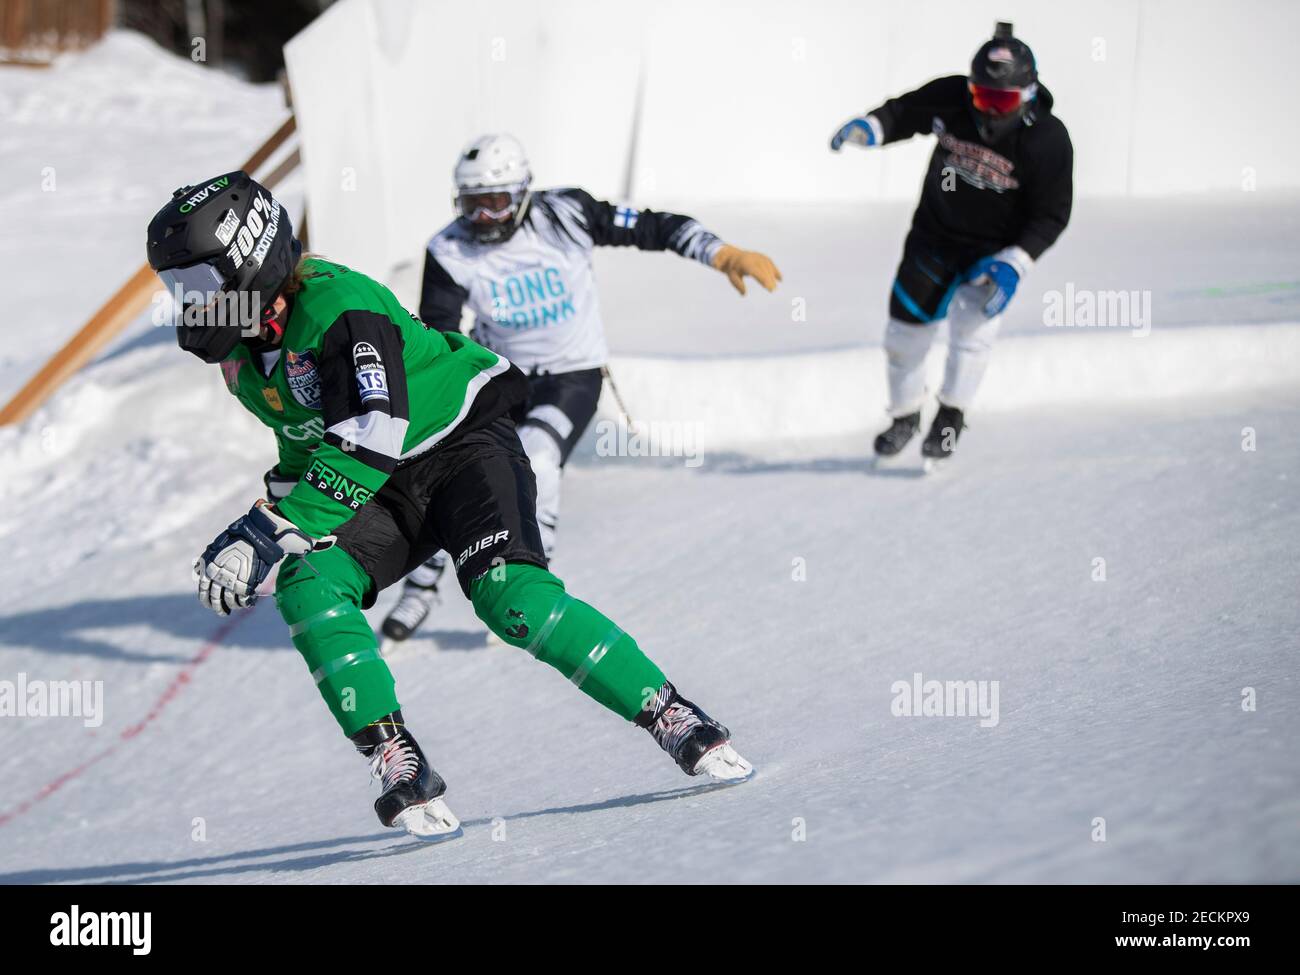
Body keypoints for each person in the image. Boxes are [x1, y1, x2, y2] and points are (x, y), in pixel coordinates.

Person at [147, 171, 753, 839]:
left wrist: (267, 529)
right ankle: (396, 758)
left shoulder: (340, 308)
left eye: (197, 284)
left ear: (251, 262)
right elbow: (304, 450)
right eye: (178, 288)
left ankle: (670, 712)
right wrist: (269, 538)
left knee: (510, 600)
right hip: (379, 482)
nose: (189, 304)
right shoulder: (242, 359)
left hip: (461, 446)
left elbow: (370, 435)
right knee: (306, 583)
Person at [380, 133, 782, 642]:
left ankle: (531, 583)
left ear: (522, 192)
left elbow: (655, 226)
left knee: (538, 458)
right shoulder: (448, 248)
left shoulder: (567, 214)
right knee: (449, 469)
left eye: (496, 202)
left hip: (571, 374)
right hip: (500, 375)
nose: (483, 218)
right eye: (471, 204)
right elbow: (441, 335)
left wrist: (720, 253)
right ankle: (420, 587)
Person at [830, 21, 1073, 464]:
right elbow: (906, 112)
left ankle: (952, 415)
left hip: (993, 253)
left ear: (1028, 95)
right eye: (982, 97)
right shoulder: (953, 97)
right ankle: (905, 414)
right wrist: (872, 126)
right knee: (904, 334)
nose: (990, 111)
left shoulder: (1047, 140)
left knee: (972, 335)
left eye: (1002, 101)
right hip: (935, 237)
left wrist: (1017, 262)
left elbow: (1052, 214)